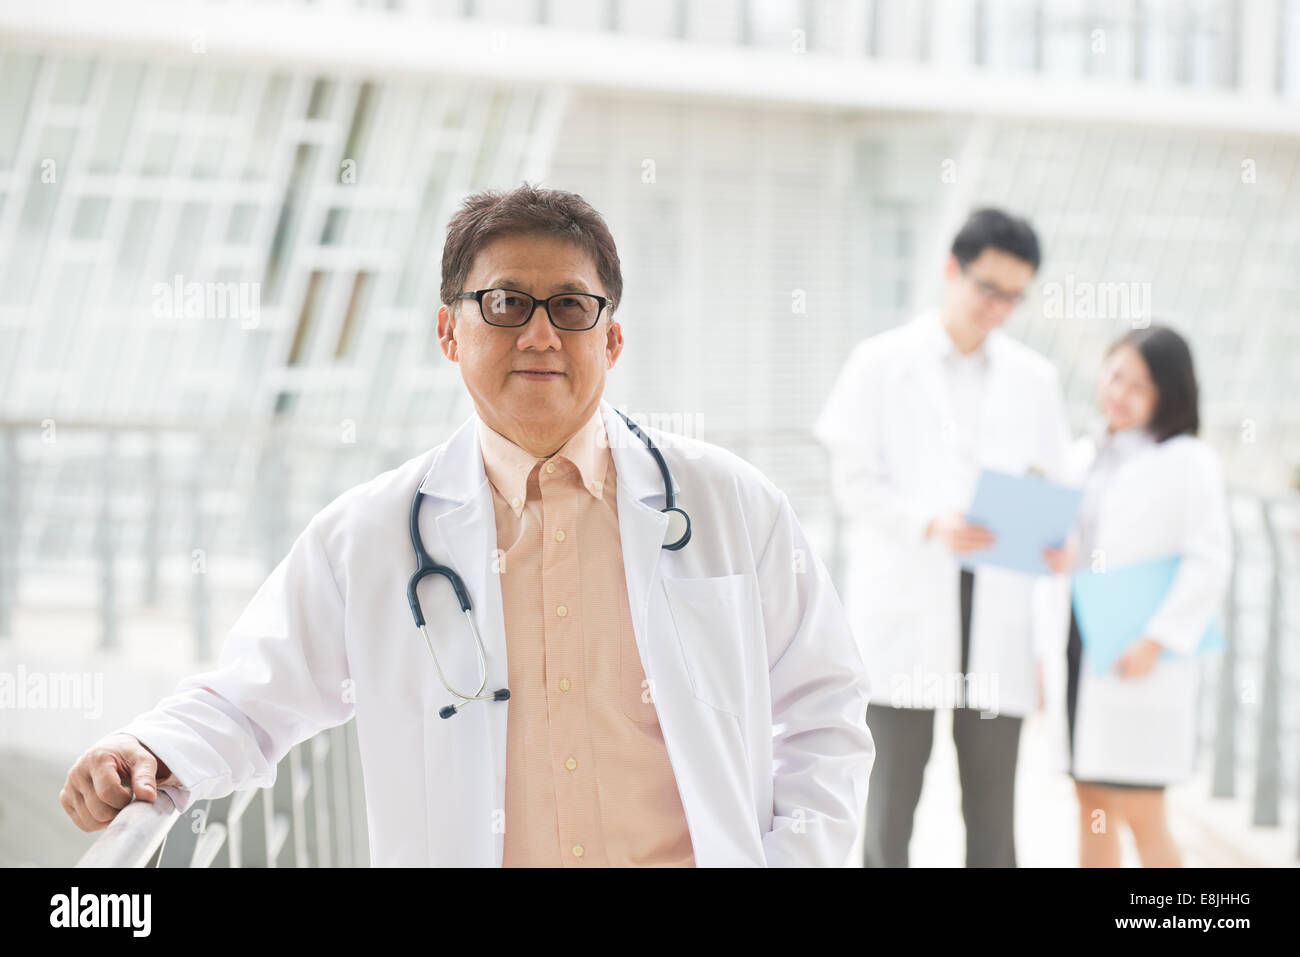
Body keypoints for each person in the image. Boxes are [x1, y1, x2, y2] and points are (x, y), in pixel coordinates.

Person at [60, 183, 874, 867]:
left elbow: (823, 706)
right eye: (506, 302)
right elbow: (252, 695)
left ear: (614, 338)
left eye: (571, 307)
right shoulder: (373, 535)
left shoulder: (732, 505)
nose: (542, 333)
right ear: (449, 331)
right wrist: (151, 751)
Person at [814, 208, 1071, 867]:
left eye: (1015, 296)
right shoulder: (880, 362)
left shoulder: (1033, 379)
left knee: (992, 821)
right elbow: (854, 483)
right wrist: (928, 522)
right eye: (989, 288)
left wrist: (1051, 540)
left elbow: (1053, 484)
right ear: (951, 269)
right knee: (889, 815)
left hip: (997, 615)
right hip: (907, 606)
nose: (1000, 308)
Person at [1042, 325, 1230, 868]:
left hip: (1140, 655)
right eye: (1115, 374)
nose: (1118, 393)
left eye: (1138, 386)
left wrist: (1157, 639)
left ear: (1168, 396)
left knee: (1142, 811)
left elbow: (1209, 560)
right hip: (1080, 649)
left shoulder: (1188, 461)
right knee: (1090, 800)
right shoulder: (1086, 455)